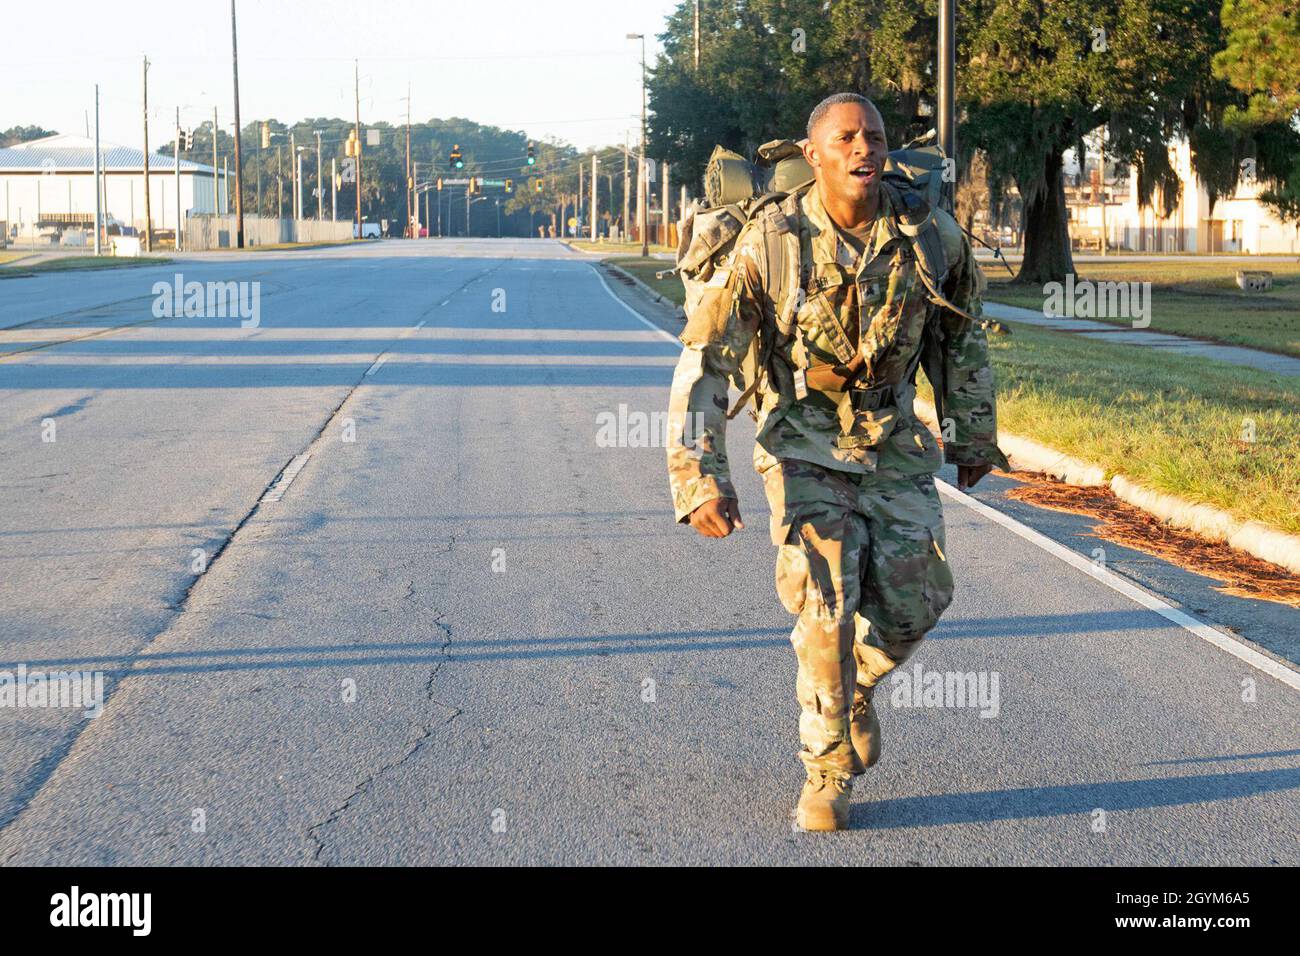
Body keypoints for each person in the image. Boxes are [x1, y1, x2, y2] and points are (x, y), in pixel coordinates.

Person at [666, 92, 1008, 831]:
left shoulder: (928, 234)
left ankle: (855, 688)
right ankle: (826, 774)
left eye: (875, 137)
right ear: (814, 154)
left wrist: (973, 433)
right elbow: (707, 358)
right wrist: (700, 475)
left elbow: (961, 340)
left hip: (890, 439)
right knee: (824, 606)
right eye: (847, 138)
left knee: (920, 601)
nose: (865, 149)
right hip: (801, 438)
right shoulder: (773, 241)